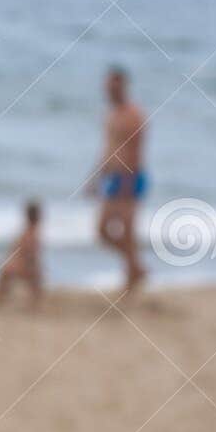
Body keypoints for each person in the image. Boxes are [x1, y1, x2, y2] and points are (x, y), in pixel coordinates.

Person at [87, 65, 148, 293]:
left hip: (130, 178)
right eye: (107, 86)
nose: (109, 90)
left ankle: (132, 278)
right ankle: (136, 268)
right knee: (103, 231)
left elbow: (136, 152)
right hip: (112, 176)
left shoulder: (134, 115)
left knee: (127, 233)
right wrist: (94, 179)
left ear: (123, 86)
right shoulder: (110, 115)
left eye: (113, 86)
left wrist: (128, 183)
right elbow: (107, 151)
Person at [0, 199, 43, 311]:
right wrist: (34, 267)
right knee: (36, 283)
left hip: (9, 265)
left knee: (1, 291)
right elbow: (30, 253)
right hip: (17, 266)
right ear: (37, 216)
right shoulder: (32, 233)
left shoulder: (26, 231)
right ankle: (32, 307)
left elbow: (15, 250)